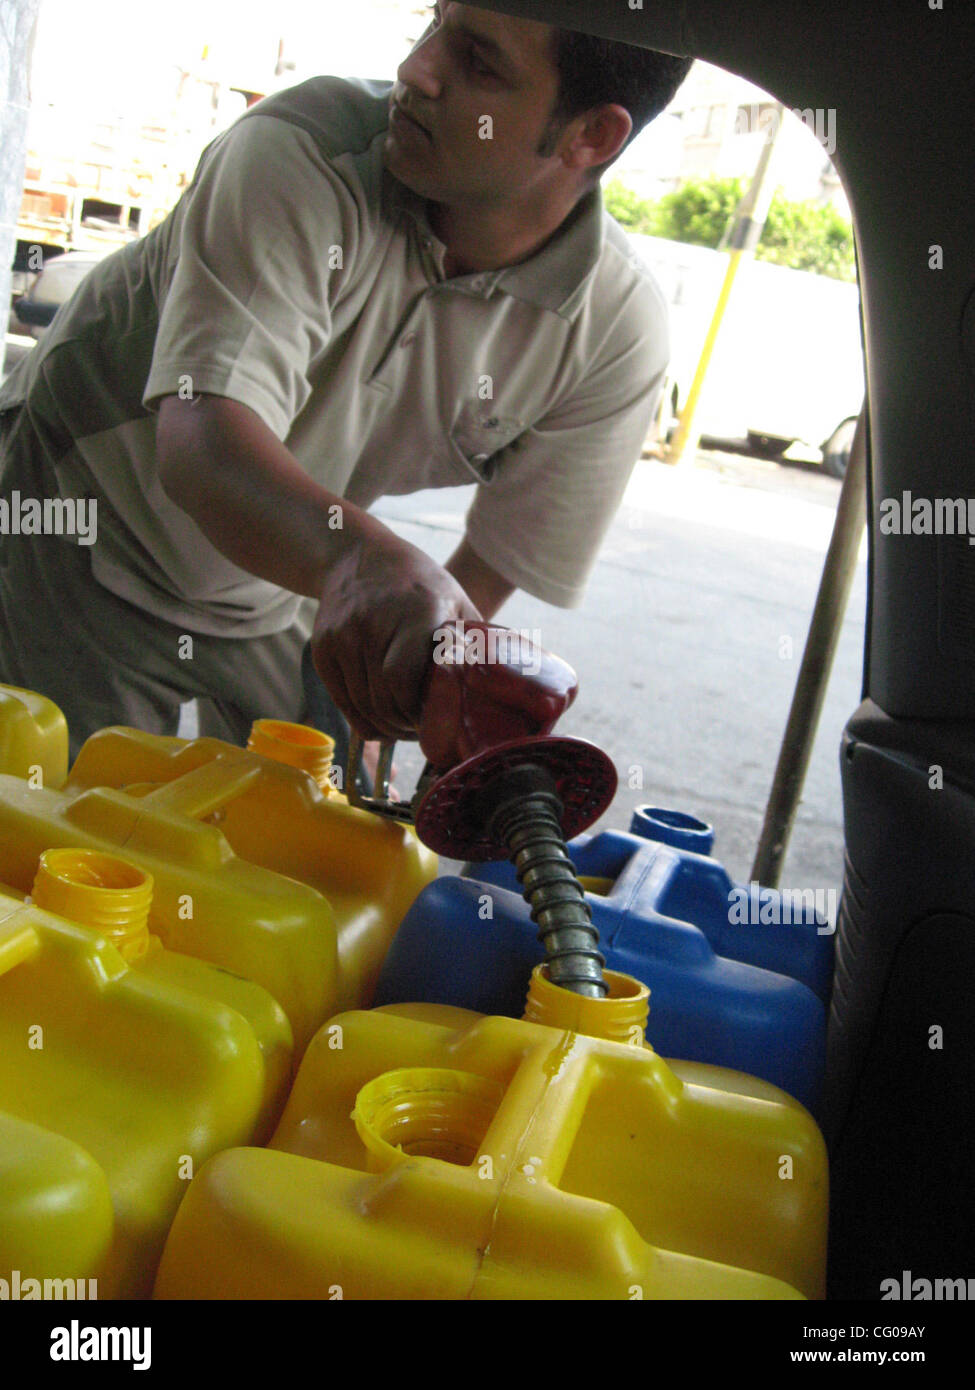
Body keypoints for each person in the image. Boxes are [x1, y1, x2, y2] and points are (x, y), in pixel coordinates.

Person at [0, 3, 691, 763]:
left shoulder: (615, 332)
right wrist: (360, 564)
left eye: (478, 63)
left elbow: (495, 564)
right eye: (434, 22)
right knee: (63, 809)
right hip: (82, 513)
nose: (416, 69)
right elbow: (204, 441)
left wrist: (397, 675)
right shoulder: (299, 151)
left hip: (282, 580)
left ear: (591, 134)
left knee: (315, 821)